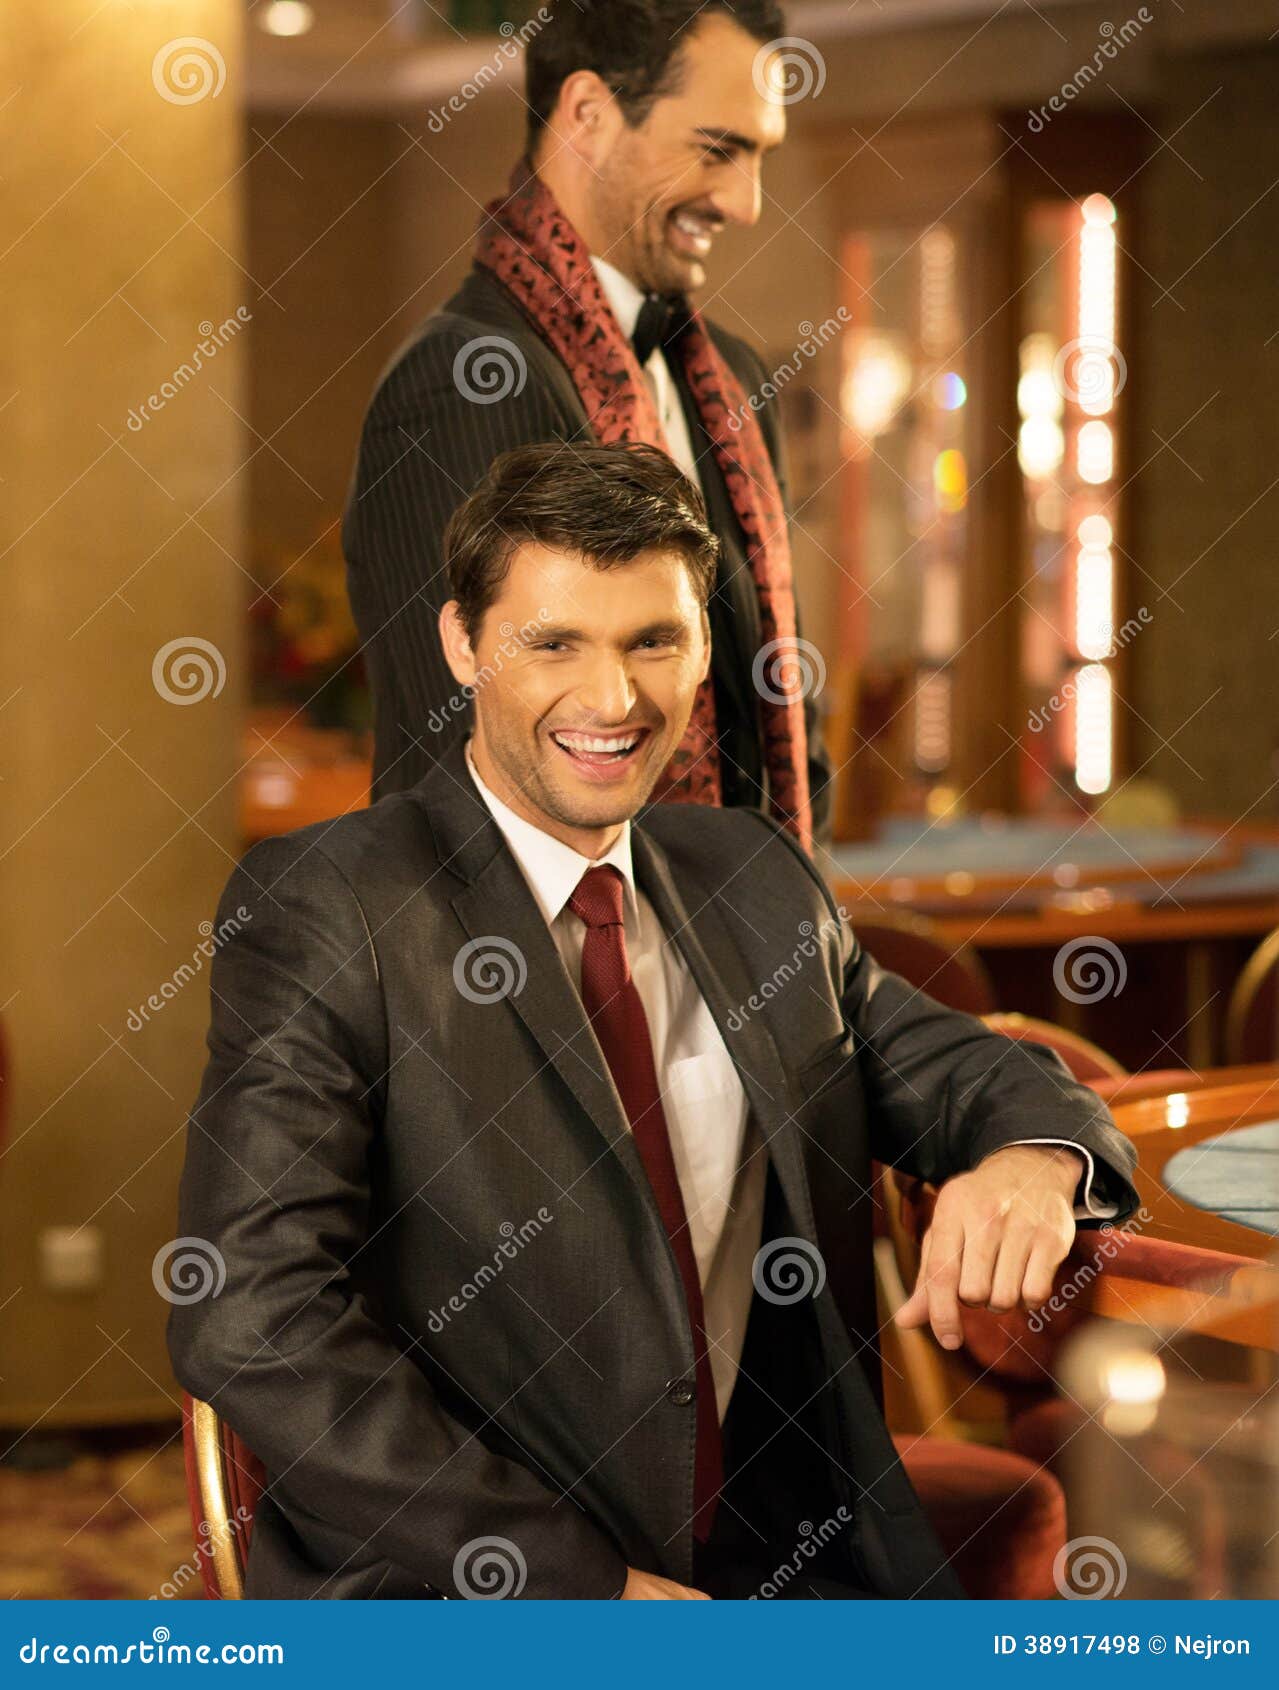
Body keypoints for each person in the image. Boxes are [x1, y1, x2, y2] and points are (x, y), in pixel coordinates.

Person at [170, 442, 1138, 1600]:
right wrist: (590, 1591)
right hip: (474, 1586)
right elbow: (251, 1310)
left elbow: (968, 1070)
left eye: (652, 641)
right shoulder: (332, 905)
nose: (613, 700)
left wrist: (1037, 1155)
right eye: (554, 642)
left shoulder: (750, 875)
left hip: (783, 1547)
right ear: (462, 644)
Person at [343, 0, 833, 851]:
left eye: (760, 156)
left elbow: (781, 719)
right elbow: (452, 773)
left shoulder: (735, 378)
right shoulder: (460, 384)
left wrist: (804, 954)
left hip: (746, 952)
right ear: (586, 116)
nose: (746, 203)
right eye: (718, 148)